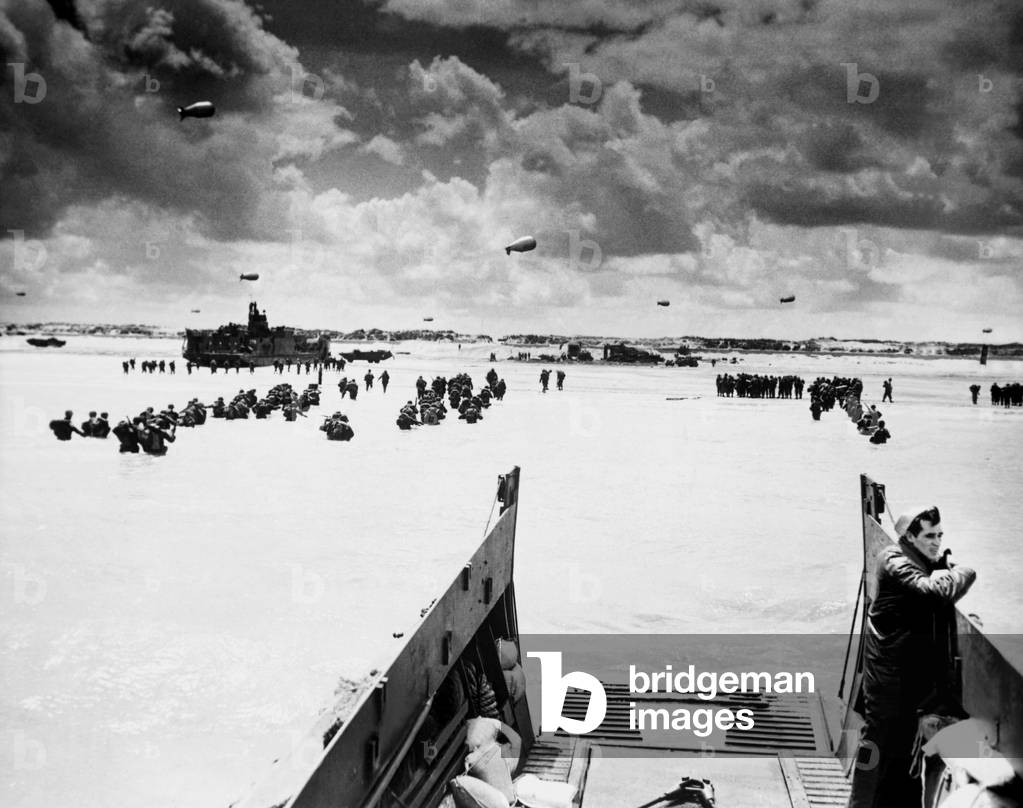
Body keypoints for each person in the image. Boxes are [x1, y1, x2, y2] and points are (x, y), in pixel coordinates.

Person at [847, 506, 976, 808]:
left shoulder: (916, 563)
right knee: (875, 749)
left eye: (940, 535)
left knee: (900, 756)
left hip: (905, 682)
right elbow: (933, 592)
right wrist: (964, 572)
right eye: (930, 536)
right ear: (910, 537)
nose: (937, 541)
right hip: (887, 682)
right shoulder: (894, 561)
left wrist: (941, 566)